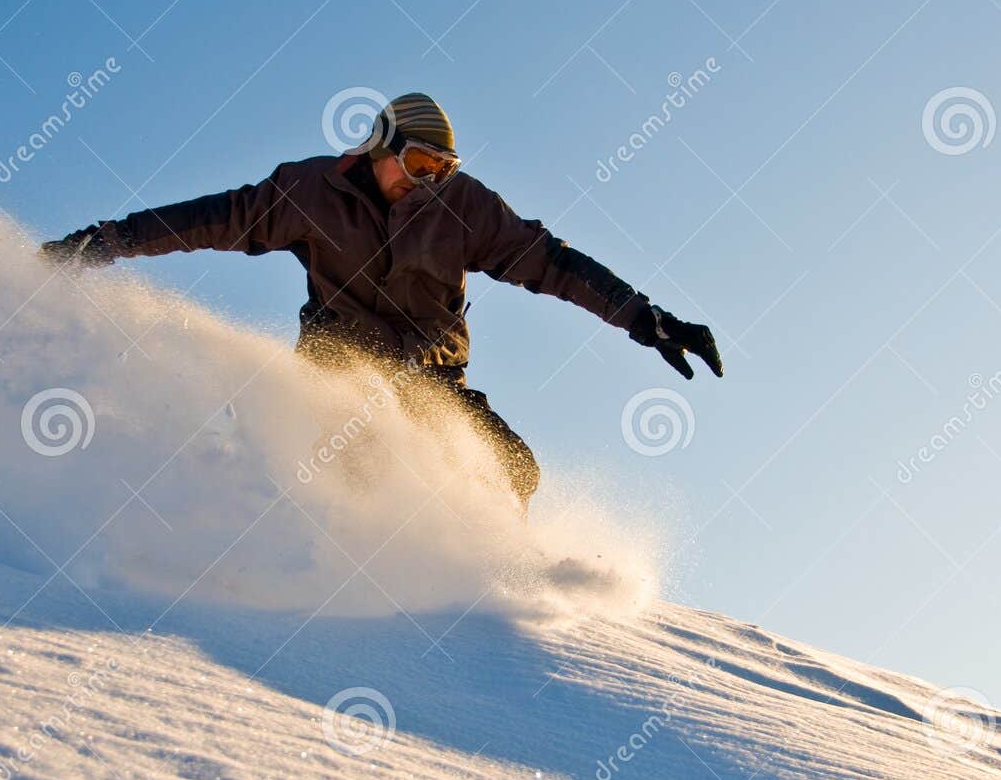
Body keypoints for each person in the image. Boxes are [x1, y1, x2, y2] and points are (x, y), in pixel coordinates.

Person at [39, 92, 723, 505]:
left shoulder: (465, 209)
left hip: (429, 374)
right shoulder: (309, 192)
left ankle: (481, 588)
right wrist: (104, 242)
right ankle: (305, 565)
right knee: (356, 456)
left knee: (512, 469)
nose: (428, 182)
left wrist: (646, 320)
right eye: (420, 165)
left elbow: (553, 266)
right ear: (380, 147)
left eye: (443, 171)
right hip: (340, 360)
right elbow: (208, 218)